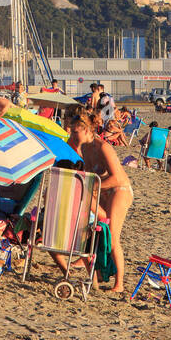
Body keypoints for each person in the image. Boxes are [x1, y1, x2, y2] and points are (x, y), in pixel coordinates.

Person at [64, 107, 132, 294]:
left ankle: (119, 284)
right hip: (102, 190)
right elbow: (88, 174)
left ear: (86, 130)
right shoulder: (84, 147)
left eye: (75, 131)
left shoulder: (103, 147)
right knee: (91, 230)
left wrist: (94, 187)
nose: (73, 135)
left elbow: (118, 178)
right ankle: (98, 273)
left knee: (113, 236)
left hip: (120, 190)